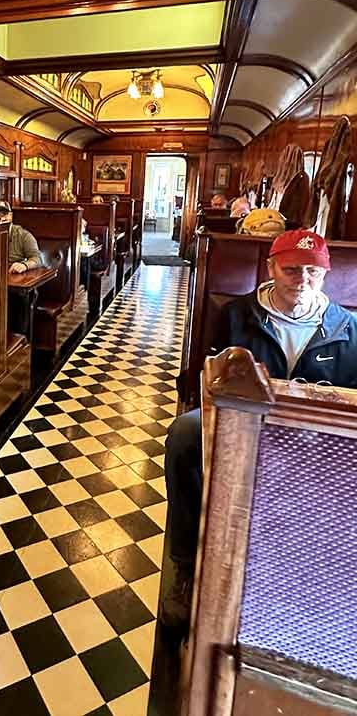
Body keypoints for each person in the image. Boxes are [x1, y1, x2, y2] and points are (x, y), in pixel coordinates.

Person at [162, 229, 357, 628]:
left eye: (312, 272)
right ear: (271, 268)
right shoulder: (238, 315)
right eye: (290, 270)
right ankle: (186, 564)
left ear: (326, 274)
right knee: (185, 435)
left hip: (314, 437)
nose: (301, 280)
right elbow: (211, 378)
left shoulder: (347, 328)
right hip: (241, 424)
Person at [0, 200, 42, 273]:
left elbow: (38, 259)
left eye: (5, 214)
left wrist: (24, 265)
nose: (1, 218)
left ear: (11, 215)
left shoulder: (24, 235)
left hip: (15, 276)